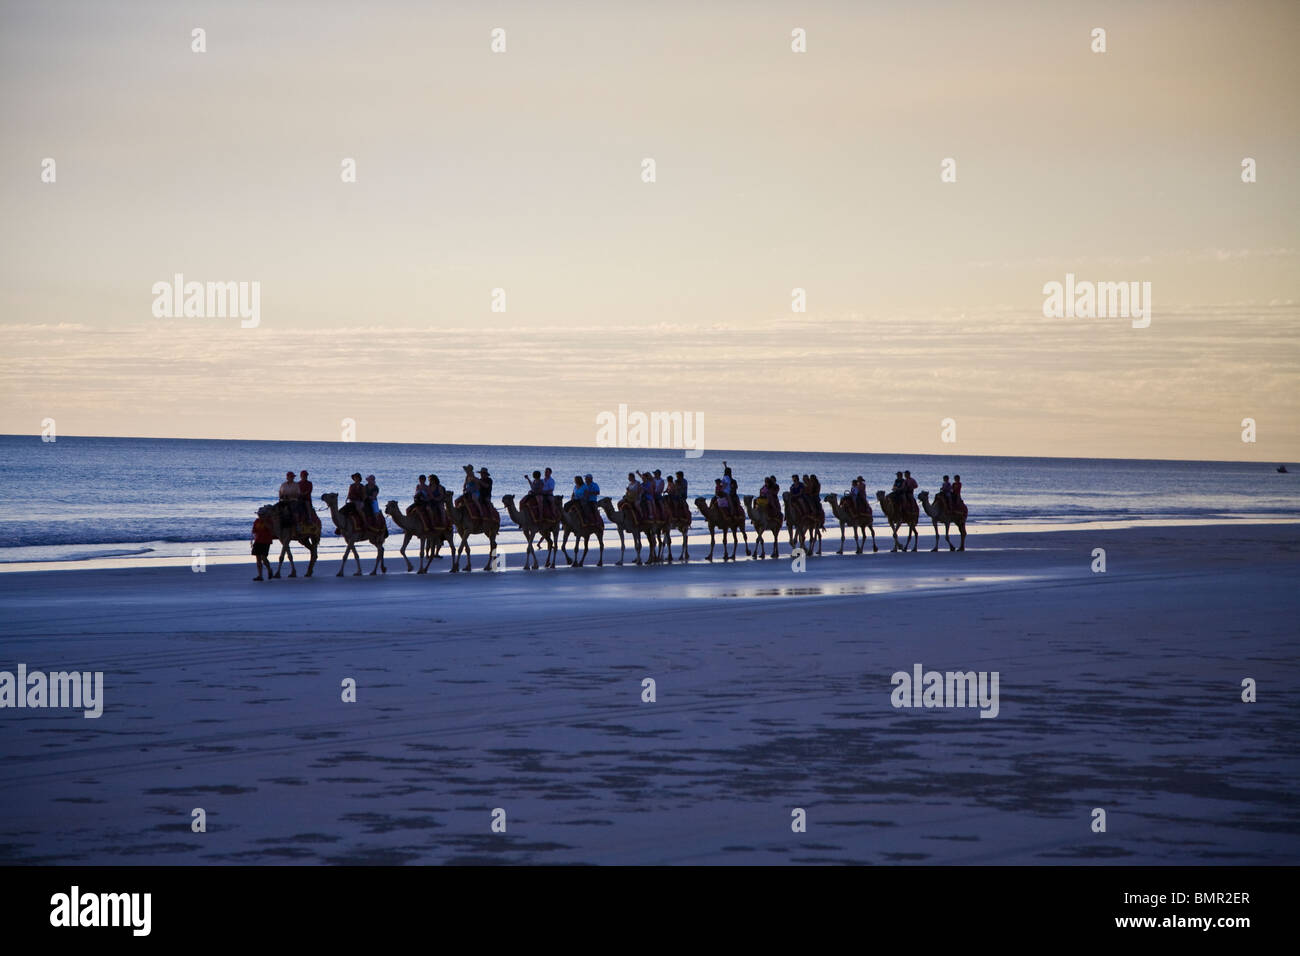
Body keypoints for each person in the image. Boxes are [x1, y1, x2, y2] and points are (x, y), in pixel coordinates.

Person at [251, 511, 274, 581]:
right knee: (258, 559)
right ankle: (260, 576)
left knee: (264, 558)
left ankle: (269, 570)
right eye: (259, 514)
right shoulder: (256, 521)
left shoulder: (269, 521)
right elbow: (253, 530)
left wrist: (265, 522)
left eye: (261, 514)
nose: (260, 516)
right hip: (258, 541)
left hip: (266, 541)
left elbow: (271, 529)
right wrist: (252, 538)